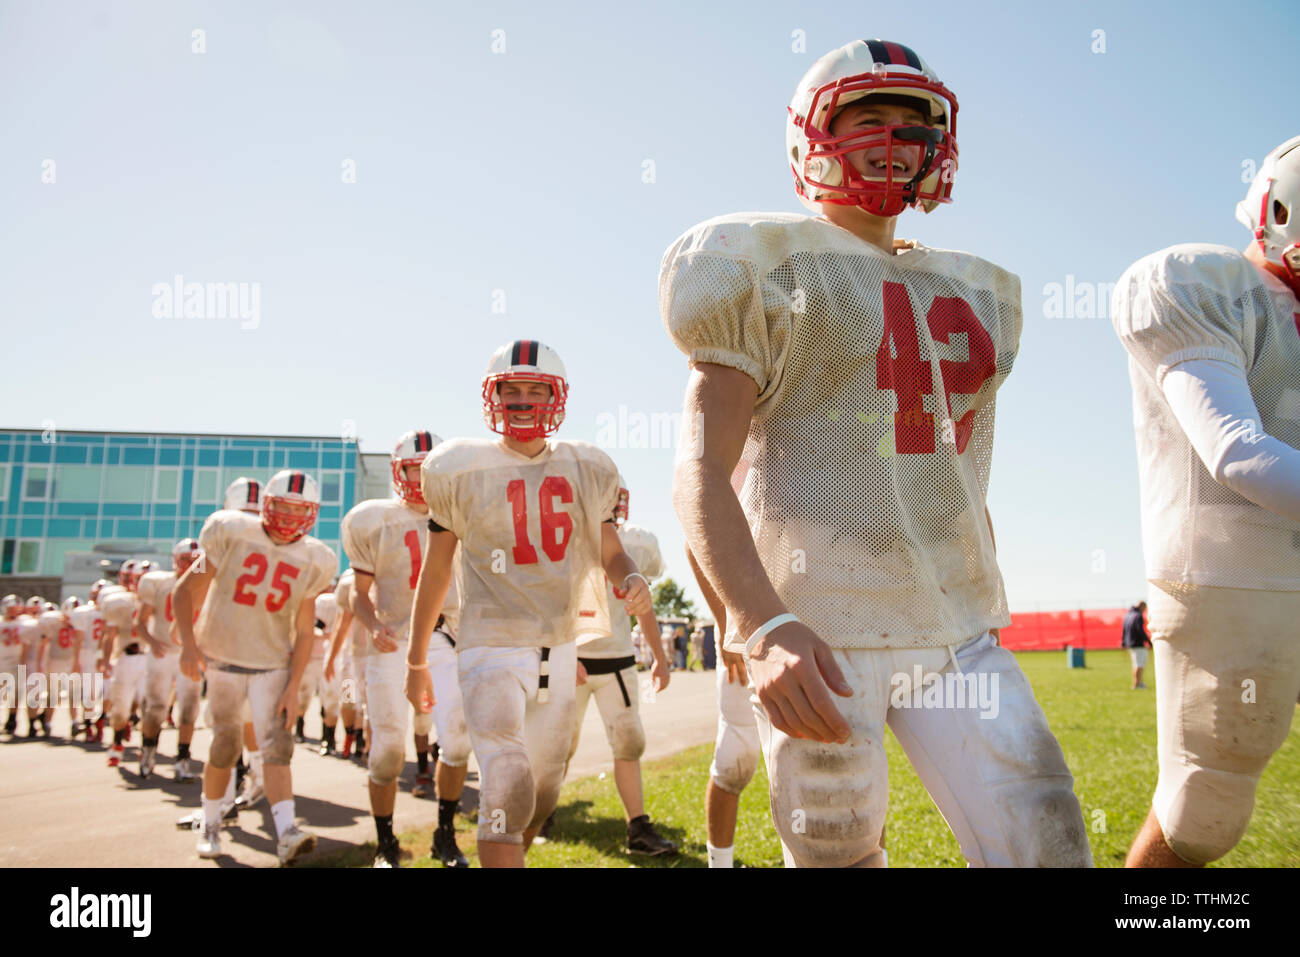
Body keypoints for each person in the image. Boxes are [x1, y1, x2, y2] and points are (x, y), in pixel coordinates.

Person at [661, 39, 1091, 867]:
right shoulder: (770, 268)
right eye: (872, 119)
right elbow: (697, 471)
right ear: (811, 140)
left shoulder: (967, 289)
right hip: (820, 625)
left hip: (954, 628)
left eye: (914, 123)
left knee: (1047, 838)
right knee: (838, 849)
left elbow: (955, 477)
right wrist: (758, 622)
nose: (900, 138)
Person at [1112, 134, 1300, 868]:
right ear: (1283, 207)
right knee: (1203, 813)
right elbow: (1236, 452)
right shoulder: (1204, 283)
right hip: (1230, 580)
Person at [405, 339, 653, 868]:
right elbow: (437, 568)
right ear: (492, 396)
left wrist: (631, 577)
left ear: (556, 396)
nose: (521, 400)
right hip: (490, 643)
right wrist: (416, 659)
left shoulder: (588, 466)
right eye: (510, 389)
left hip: (560, 647)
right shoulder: (460, 466)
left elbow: (612, 551)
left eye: (534, 389)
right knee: (506, 781)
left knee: (542, 791)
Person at [174, 469, 337, 865]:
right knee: (225, 747)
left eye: (298, 510)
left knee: (279, 749)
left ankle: (287, 833)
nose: (287, 517)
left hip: (272, 664)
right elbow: (184, 591)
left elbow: (303, 629)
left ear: (313, 513)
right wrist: (189, 647)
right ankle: (211, 824)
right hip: (224, 661)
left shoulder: (317, 557)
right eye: (281, 507)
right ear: (265, 504)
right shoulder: (230, 532)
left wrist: (295, 685)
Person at [341, 429, 468, 869]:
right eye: (415, 468)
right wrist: (372, 622)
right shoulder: (373, 519)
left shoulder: (461, 515)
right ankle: (385, 843)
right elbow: (359, 592)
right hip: (393, 641)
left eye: (430, 469)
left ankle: (445, 835)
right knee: (389, 749)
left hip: (444, 638)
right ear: (399, 471)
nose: (423, 478)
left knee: (457, 737)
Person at [561, 477, 675, 855]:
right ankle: (541, 809)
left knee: (629, 741)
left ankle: (638, 827)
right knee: (558, 746)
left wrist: (659, 656)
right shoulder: (565, 535)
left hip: (617, 658)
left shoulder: (638, 542)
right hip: (570, 658)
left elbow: (644, 605)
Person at [1120, 601, 1150, 690]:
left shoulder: (1127, 615)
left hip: (1130, 643)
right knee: (1139, 664)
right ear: (1142, 606)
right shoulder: (1138, 615)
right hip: (1138, 643)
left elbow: (1124, 630)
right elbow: (1140, 630)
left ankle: (1137, 682)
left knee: (1136, 663)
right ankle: (1137, 684)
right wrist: (1148, 641)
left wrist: (1123, 642)